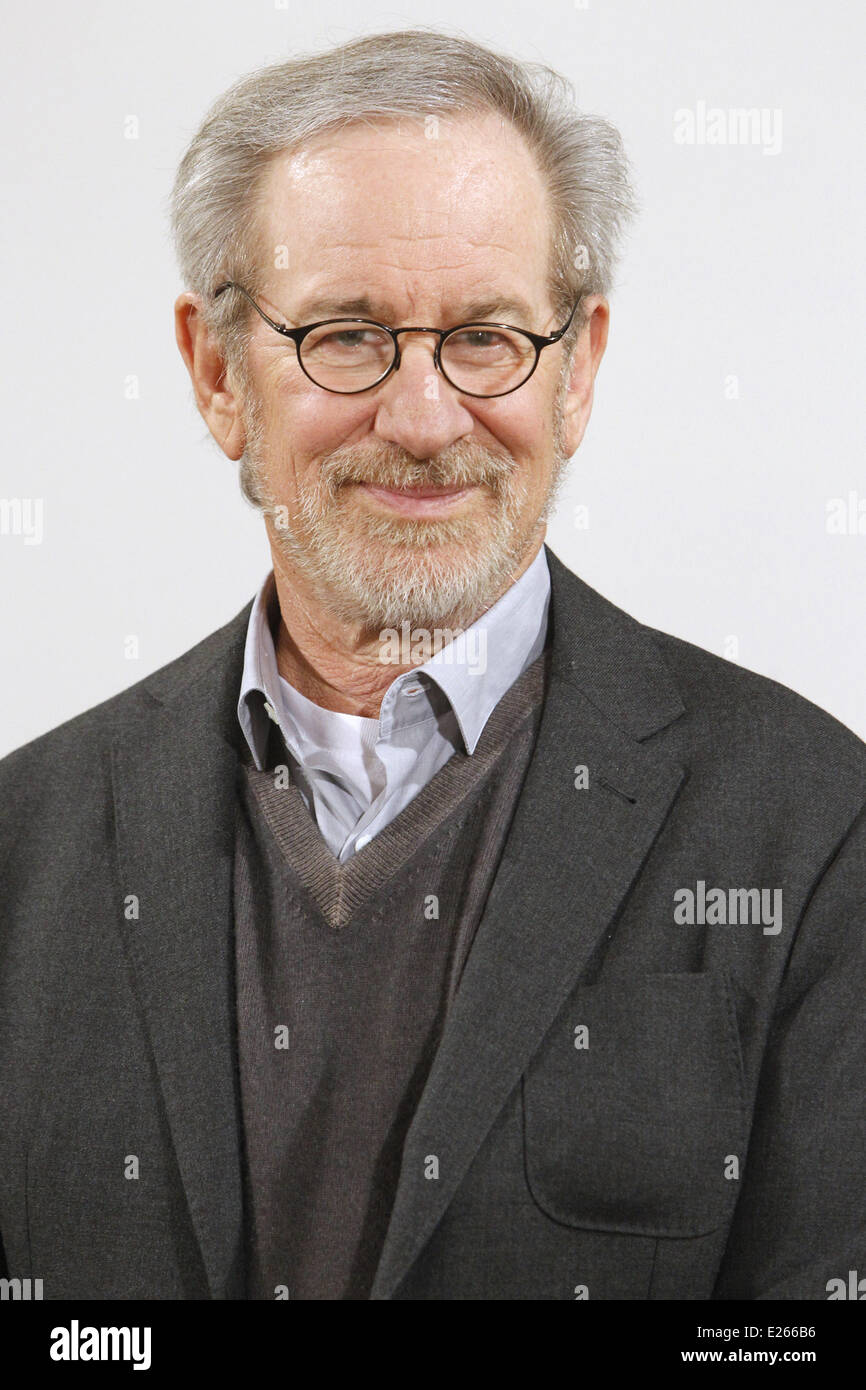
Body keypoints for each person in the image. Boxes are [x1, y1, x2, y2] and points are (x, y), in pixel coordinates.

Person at [1, 29, 864, 1302]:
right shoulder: (24, 844)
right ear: (217, 372)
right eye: (346, 335)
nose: (420, 419)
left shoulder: (812, 826)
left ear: (576, 372)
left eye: (485, 338)